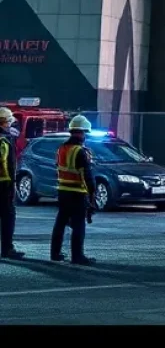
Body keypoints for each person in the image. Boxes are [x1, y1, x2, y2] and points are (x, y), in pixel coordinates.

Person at [50, 114, 97, 266]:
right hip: (77, 193)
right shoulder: (80, 152)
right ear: (80, 132)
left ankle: (55, 253)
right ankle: (77, 256)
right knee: (78, 225)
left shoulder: (61, 149)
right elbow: (87, 176)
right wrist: (92, 194)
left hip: (62, 191)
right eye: (84, 133)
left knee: (60, 223)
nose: (85, 136)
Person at [0, 107, 25, 260]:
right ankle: (7, 249)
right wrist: (12, 183)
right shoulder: (4, 140)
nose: (11, 124)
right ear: (4, 122)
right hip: (4, 184)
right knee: (8, 216)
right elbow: (7, 165)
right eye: (9, 122)